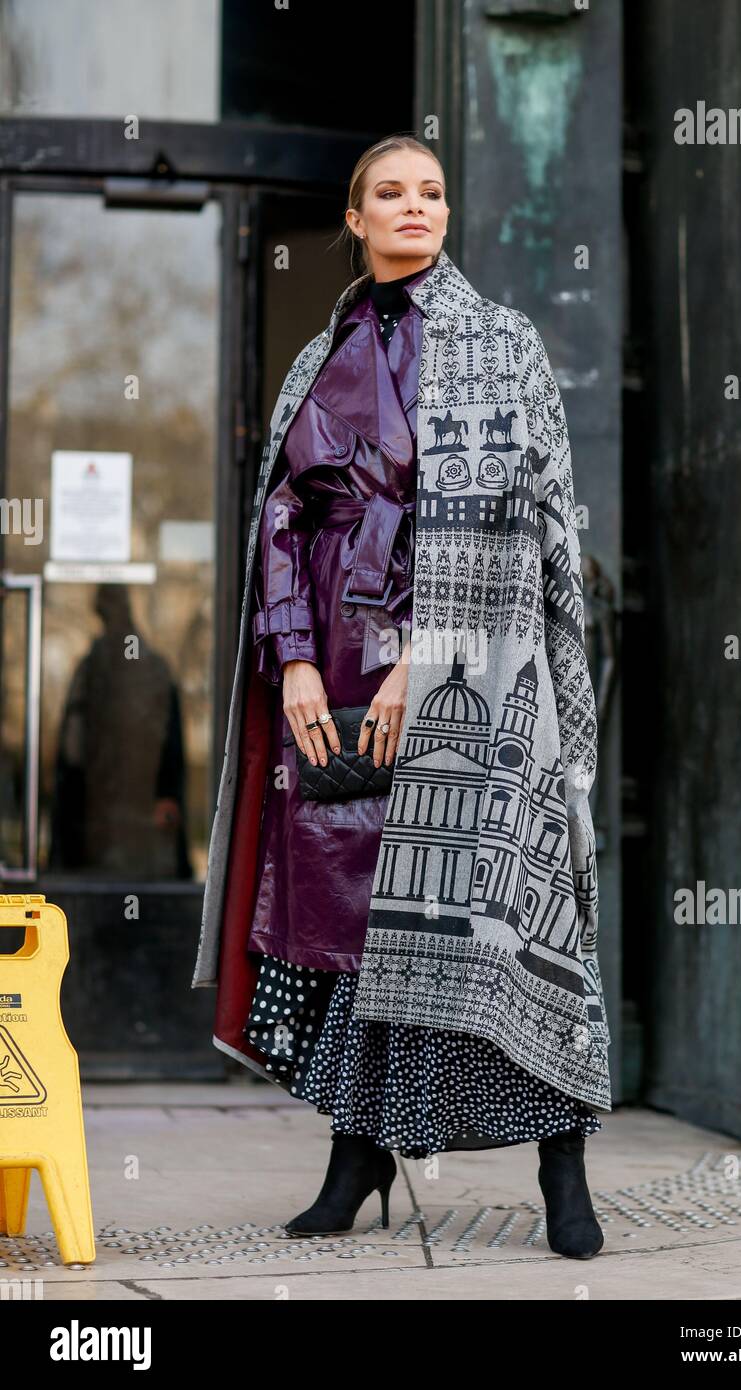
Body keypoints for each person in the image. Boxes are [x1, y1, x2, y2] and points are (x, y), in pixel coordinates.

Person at [192, 134, 611, 1260]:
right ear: (356, 216)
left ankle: (563, 1166)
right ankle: (355, 1153)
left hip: (467, 667)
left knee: (501, 911)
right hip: (327, 654)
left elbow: (528, 529)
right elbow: (282, 518)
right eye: (391, 192)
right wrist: (289, 659)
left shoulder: (501, 345)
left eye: (430, 191)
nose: (413, 206)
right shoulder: (316, 356)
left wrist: (422, 661)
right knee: (350, 927)